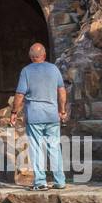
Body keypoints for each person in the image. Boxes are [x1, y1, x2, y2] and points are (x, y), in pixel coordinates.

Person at [10, 42, 68, 190]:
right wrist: (62, 110)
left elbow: (19, 94)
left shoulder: (26, 71)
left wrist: (14, 112)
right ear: (44, 55)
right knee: (54, 147)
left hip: (35, 115)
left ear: (31, 57)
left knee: (36, 148)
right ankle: (59, 180)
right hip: (52, 115)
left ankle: (41, 182)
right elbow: (61, 91)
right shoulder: (54, 69)